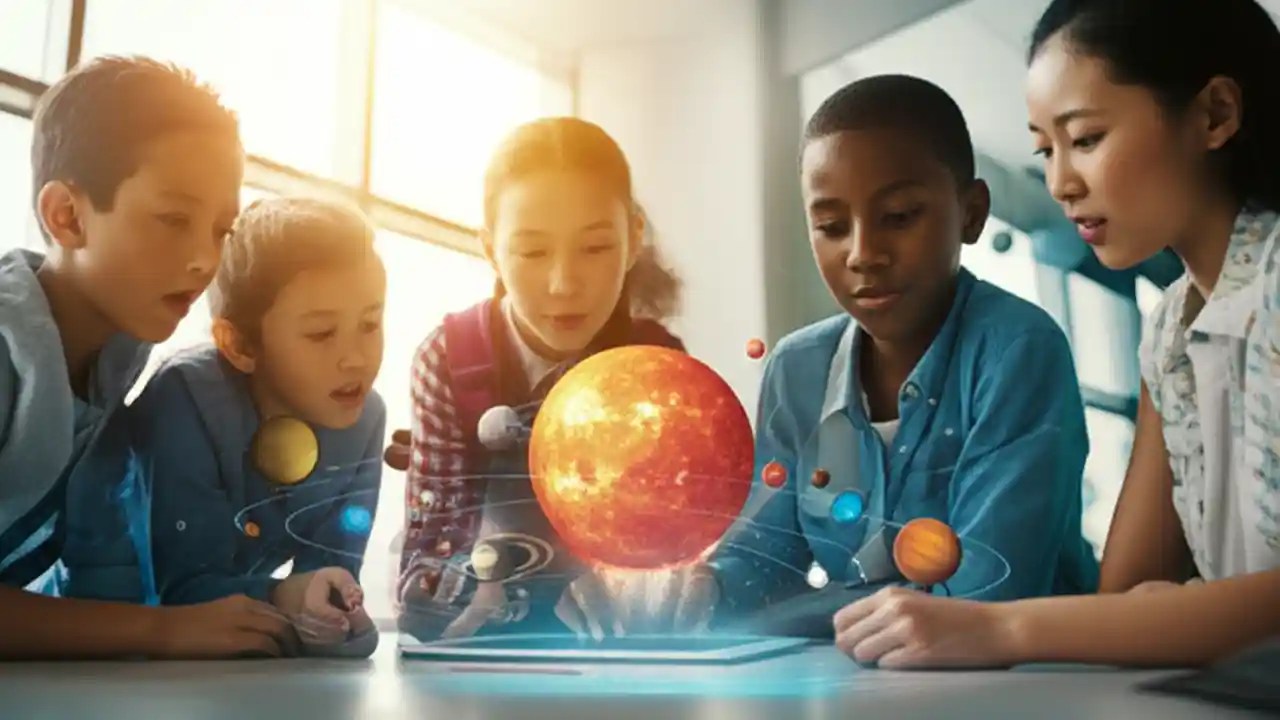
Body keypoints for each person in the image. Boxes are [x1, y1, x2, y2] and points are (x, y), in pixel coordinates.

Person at [835, 0, 1280, 669]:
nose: (1061, 183)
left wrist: (1006, 629)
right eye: (1046, 149)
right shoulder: (1168, 333)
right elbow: (1126, 592)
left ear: (1215, 114)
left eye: (1087, 139)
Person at [708, 74, 1098, 633]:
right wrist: (705, 589)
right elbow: (763, 561)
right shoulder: (796, 371)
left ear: (971, 213)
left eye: (898, 217)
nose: (863, 254)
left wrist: (788, 616)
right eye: (832, 226)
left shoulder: (1017, 350)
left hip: (1021, 685)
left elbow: (985, 591)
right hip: (856, 682)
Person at [0, 56, 295, 660]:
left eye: (221, 230)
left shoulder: (112, 357)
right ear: (67, 216)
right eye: (173, 219)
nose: (202, 260)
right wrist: (167, 629)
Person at [396, 117, 687, 640]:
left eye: (595, 248)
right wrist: (469, 586)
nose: (563, 283)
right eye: (532, 252)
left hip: (621, 655)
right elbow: (426, 561)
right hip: (485, 648)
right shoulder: (448, 360)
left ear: (634, 236)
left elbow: (670, 540)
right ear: (489, 250)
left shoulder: (658, 367)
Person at [67, 197, 387, 657]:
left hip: (211, 647)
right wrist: (282, 597)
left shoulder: (365, 417)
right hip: (97, 635)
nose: (356, 358)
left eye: (370, 324)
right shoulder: (187, 396)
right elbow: (180, 590)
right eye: (321, 333)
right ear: (237, 344)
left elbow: (331, 577)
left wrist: (340, 615)